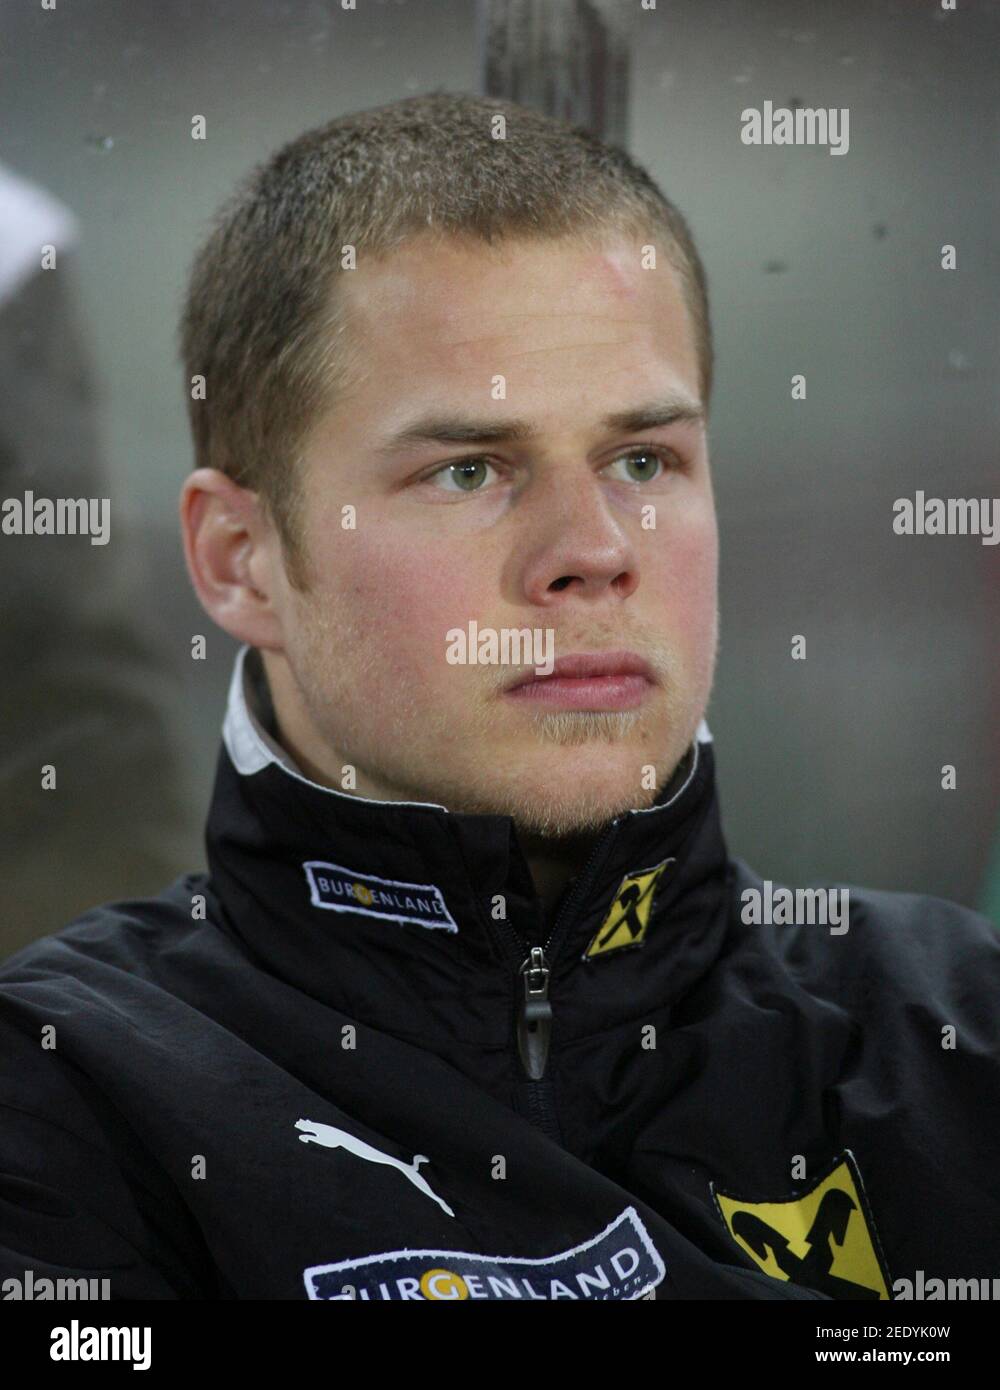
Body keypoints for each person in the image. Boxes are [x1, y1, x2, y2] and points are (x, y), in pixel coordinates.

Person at [1, 92, 997, 1304]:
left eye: (644, 461)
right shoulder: (71, 1092)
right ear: (239, 559)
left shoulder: (952, 1030)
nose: (591, 548)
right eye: (468, 469)